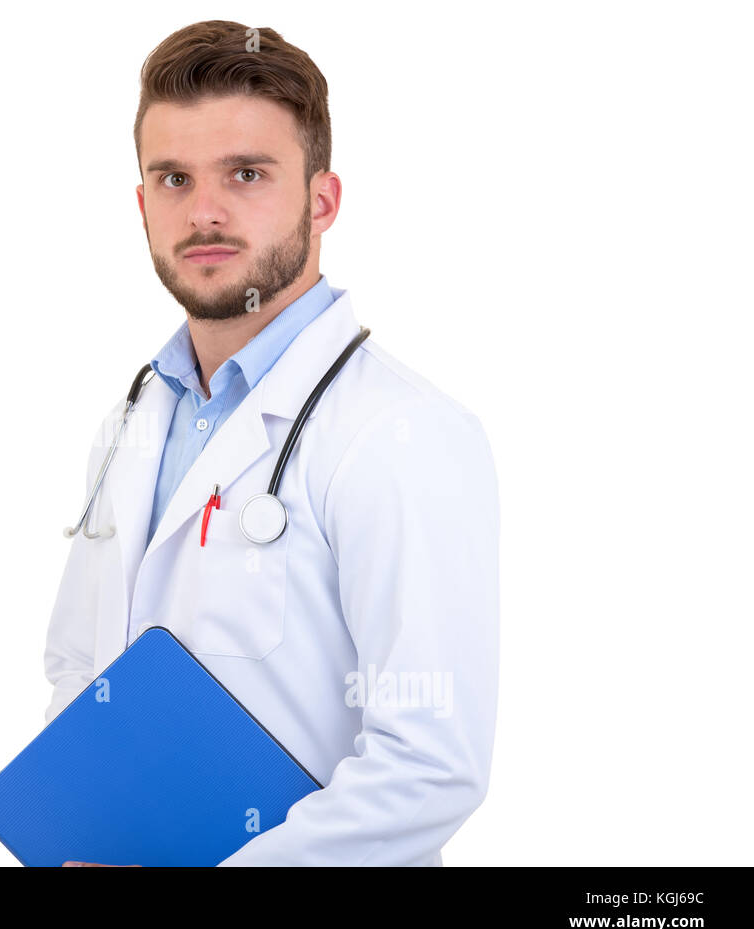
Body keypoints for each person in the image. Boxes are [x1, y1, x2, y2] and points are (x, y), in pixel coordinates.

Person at [48, 20, 500, 867]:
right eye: (173, 179)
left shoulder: (404, 435)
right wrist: (84, 826)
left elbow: (432, 766)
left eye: (246, 174)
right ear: (142, 204)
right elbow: (80, 662)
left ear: (321, 200)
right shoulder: (133, 420)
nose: (205, 212)